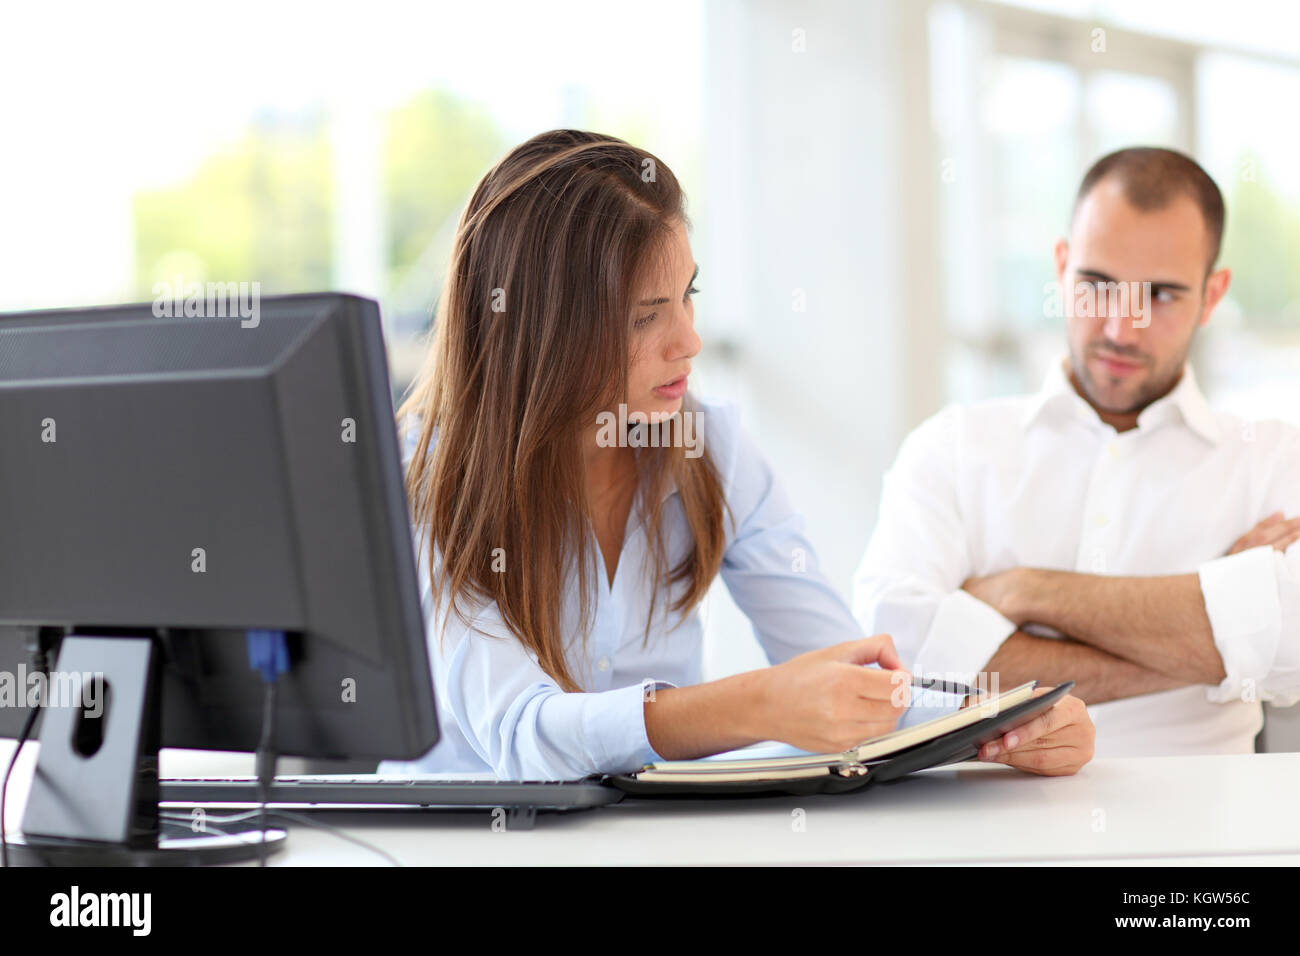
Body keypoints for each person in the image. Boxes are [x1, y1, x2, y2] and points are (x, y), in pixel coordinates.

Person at [381, 129, 1094, 781]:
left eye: (685, 298)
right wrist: (756, 704)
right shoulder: (429, 470)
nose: (687, 341)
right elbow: (520, 736)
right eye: (644, 316)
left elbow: (844, 671)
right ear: (542, 330)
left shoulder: (709, 447)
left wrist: (998, 720)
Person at [853, 146, 1300, 757]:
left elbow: (1294, 645)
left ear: (1212, 295)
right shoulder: (953, 448)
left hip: (1211, 845)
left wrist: (1024, 590)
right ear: (1062, 268)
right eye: (1098, 284)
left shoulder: (1273, 459)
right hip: (986, 836)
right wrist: (1220, 630)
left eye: (1162, 295)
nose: (1121, 328)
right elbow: (902, 658)